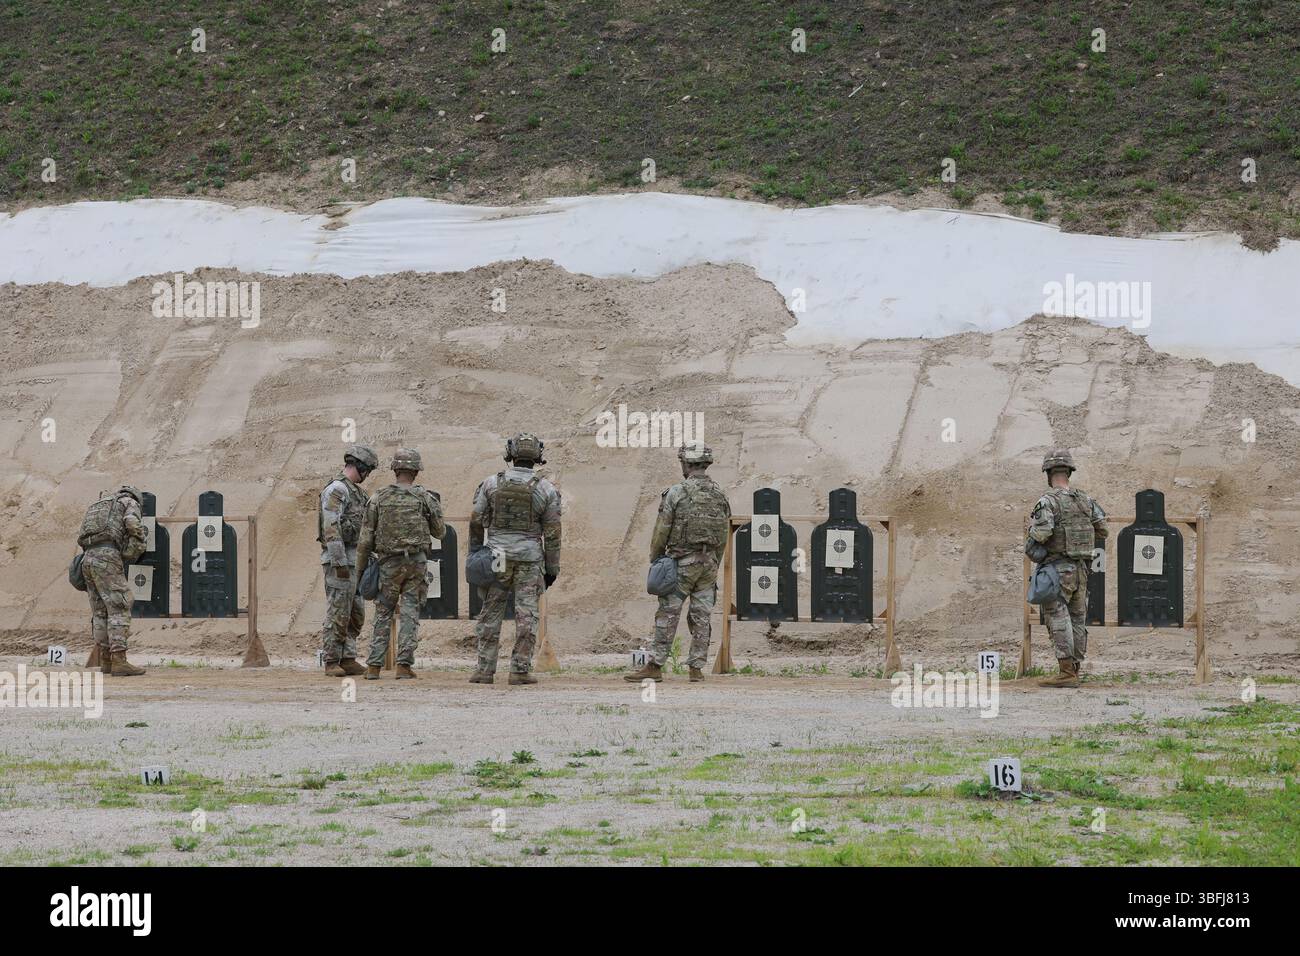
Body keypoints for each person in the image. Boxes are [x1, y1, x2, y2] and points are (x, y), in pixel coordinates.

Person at [625, 443, 731, 683]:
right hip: (709, 564)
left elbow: (662, 530)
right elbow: (723, 534)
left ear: (686, 464)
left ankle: (655, 665)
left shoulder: (677, 492)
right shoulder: (720, 494)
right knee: (702, 616)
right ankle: (696, 669)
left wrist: (656, 558)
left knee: (668, 614)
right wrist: (715, 563)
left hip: (682, 563)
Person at [468, 433, 561, 685]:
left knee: (491, 612)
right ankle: (519, 670)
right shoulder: (546, 489)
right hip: (529, 560)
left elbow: (476, 521)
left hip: (497, 556)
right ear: (537, 457)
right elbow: (552, 534)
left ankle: (484, 669)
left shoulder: (490, 484)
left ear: (510, 453)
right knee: (526, 614)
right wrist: (552, 568)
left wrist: (475, 552)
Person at [355, 448, 445, 679]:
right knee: (409, 612)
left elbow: (365, 539)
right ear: (415, 471)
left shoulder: (378, 498)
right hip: (416, 563)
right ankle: (404, 666)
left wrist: (360, 570)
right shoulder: (425, 497)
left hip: (388, 564)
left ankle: (374, 666)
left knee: (383, 612)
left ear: (395, 470)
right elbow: (441, 532)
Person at [1027, 448, 1108, 688]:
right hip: (1082, 569)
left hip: (1057, 569)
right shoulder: (1085, 500)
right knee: (1077, 618)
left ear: (1048, 473)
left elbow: (1042, 533)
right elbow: (1103, 530)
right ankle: (1075, 670)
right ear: (1069, 472)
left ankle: (1065, 673)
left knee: (1057, 616)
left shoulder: (1047, 501)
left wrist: (1031, 533)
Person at [319, 444, 378, 677]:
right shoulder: (337, 490)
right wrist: (339, 562)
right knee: (338, 611)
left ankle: (348, 657)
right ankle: (332, 659)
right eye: (368, 471)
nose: (368, 476)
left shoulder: (356, 492)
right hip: (340, 560)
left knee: (355, 612)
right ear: (361, 467)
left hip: (355, 560)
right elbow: (330, 527)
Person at [79, 485, 149, 676]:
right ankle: (119, 660)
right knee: (119, 606)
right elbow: (132, 523)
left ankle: (106, 661)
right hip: (107, 556)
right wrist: (141, 540)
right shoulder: (129, 502)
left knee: (100, 611)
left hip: (87, 558)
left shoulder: (101, 505)